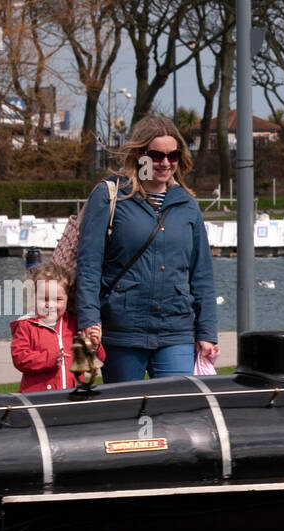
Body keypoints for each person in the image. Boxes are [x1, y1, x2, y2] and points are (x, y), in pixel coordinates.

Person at [74, 115, 217, 382]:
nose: (165, 162)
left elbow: (202, 273)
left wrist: (207, 331)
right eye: (156, 155)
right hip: (123, 330)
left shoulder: (187, 204)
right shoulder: (109, 195)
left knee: (174, 413)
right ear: (139, 155)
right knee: (124, 412)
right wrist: (89, 319)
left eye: (173, 155)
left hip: (176, 330)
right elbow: (89, 265)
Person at [10, 263, 105, 393]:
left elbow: (92, 363)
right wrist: (49, 359)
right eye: (44, 299)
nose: (51, 305)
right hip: (38, 397)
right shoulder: (26, 326)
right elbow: (19, 359)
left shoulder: (74, 326)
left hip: (72, 395)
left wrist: (94, 345)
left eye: (58, 299)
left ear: (67, 299)